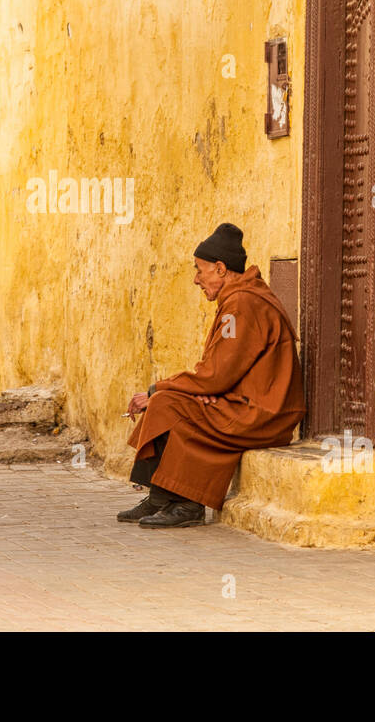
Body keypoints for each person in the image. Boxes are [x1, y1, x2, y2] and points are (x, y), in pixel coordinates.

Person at [120, 222, 305, 527]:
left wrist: (157, 390)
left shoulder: (241, 305)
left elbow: (216, 375)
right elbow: (221, 372)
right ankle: (161, 498)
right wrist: (204, 387)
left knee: (167, 403)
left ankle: (188, 503)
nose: (196, 279)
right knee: (170, 400)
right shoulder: (240, 298)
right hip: (248, 403)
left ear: (220, 268)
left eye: (199, 270)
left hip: (261, 413)